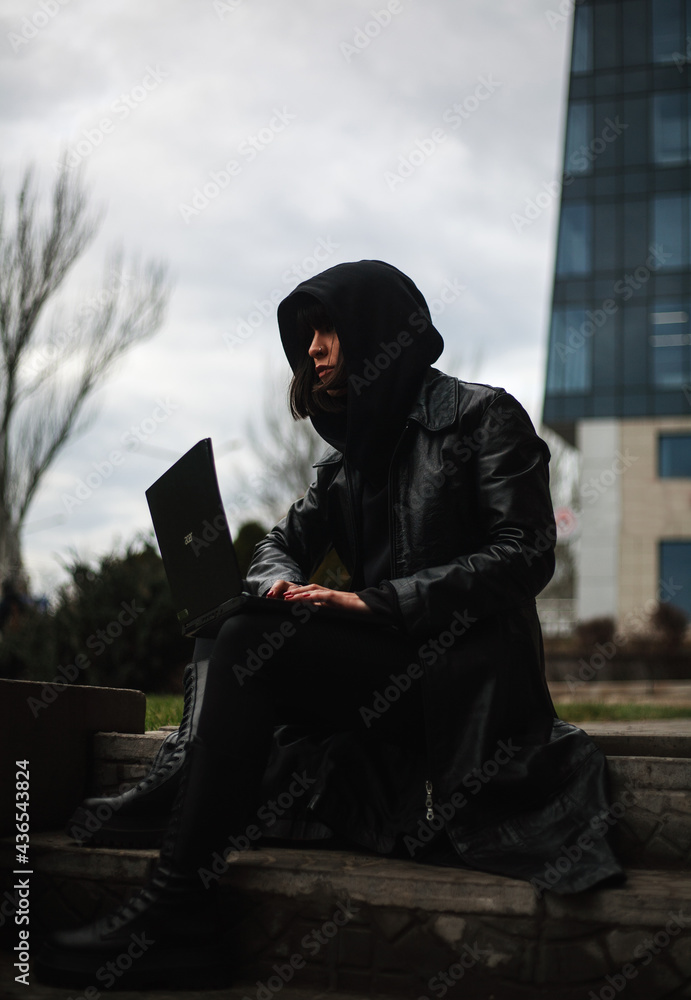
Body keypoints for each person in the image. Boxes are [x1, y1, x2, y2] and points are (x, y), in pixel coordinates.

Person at [36, 260, 623, 988]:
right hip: (388, 681)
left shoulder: (480, 417)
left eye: (326, 329)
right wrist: (278, 583)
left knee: (248, 637)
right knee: (234, 620)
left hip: (464, 696)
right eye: (305, 335)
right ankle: (182, 838)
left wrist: (380, 602)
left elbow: (524, 554)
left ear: (378, 329)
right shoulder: (341, 469)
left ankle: (177, 903)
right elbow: (273, 546)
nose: (311, 348)